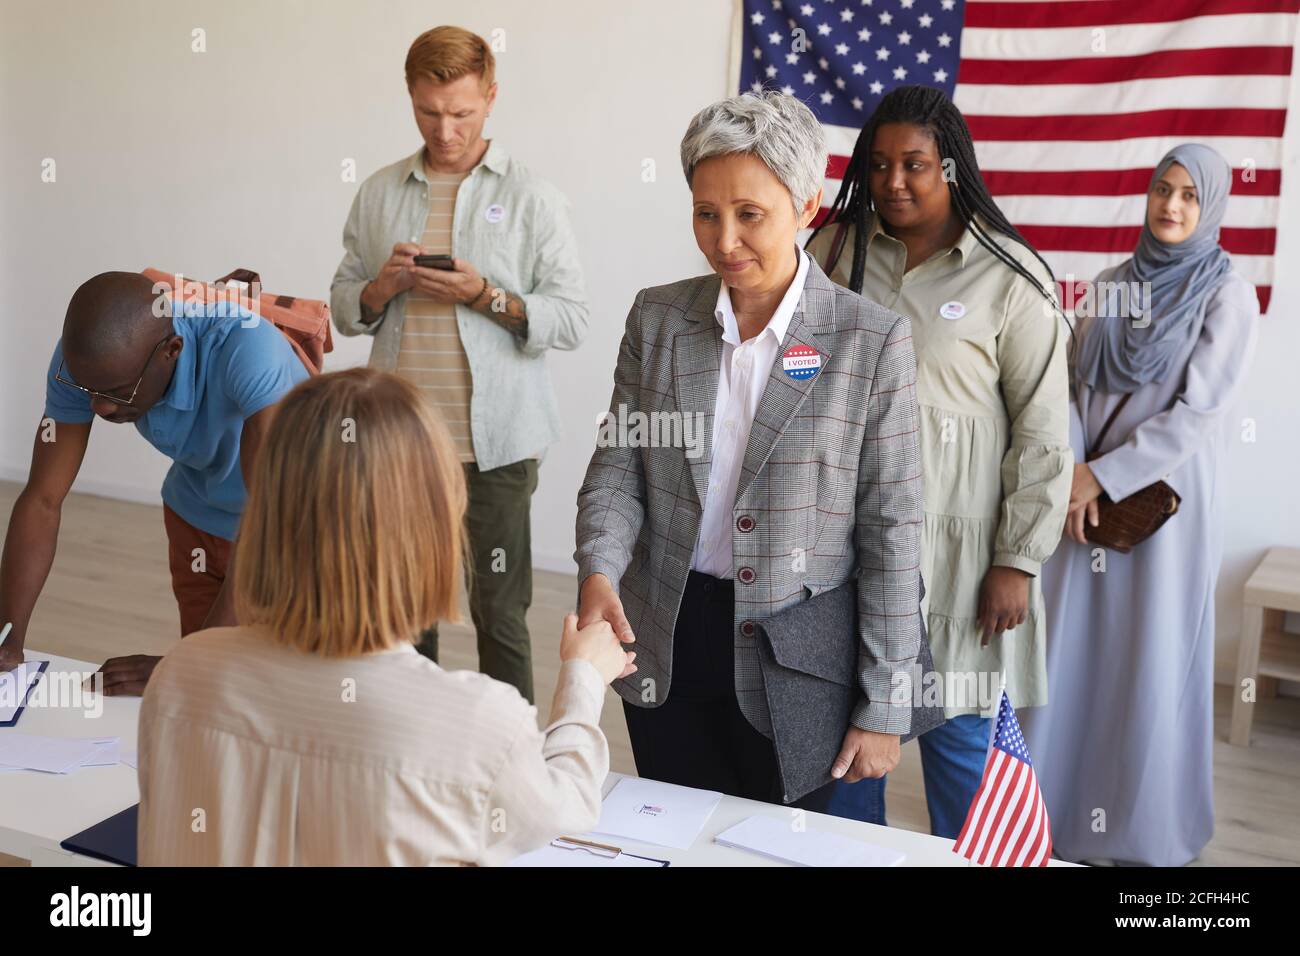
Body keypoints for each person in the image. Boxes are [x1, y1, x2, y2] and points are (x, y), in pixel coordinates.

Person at [575, 91, 925, 811]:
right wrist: (600, 569)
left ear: (806, 206)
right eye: (706, 213)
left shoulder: (871, 340)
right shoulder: (659, 317)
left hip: (798, 657)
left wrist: (886, 703)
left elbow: (892, 532)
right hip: (666, 636)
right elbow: (618, 469)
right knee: (672, 832)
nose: (724, 239)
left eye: (749, 215)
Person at [137, 368, 635, 866]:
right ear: (435, 524)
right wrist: (583, 679)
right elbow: (563, 807)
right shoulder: (476, 723)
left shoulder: (181, 672)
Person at [805, 86, 1072, 835]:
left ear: (950, 167)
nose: (894, 182)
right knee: (850, 752)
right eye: (880, 164)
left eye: (915, 164)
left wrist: (1018, 560)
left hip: (964, 554)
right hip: (847, 544)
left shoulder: (1011, 276)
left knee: (964, 762)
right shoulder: (834, 253)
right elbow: (794, 374)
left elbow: (1044, 434)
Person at [330, 25, 589, 704]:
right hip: (400, 447)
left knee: (498, 614)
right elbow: (342, 303)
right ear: (411, 99)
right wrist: (382, 288)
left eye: (462, 113)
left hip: (497, 449)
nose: (445, 130)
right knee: (404, 613)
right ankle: (410, 745)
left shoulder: (534, 197)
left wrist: (486, 295)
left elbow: (572, 318)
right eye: (428, 112)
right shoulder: (380, 192)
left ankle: (508, 763)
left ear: (491, 98)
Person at [1020, 144, 1260, 866]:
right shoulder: (1110, 283)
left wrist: (1106, 476)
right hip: (1080, 503)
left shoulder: (1226, 293)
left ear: (1210, 205)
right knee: (1070, 656)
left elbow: (1200, 412)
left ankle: (1142, 831)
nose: (1173, 205)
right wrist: (1071, 472)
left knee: (1148, 656)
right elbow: (1065, 383)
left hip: (1164, 510)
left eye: (1190, 194)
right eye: (1164, 189)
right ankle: (1049, 819)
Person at [0, 272, 308, 693]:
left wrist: (183, 667)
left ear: (172, 350)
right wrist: (7, 640)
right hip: (196, 514)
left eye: (118, 392)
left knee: (271, 686)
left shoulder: (250, 351)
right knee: (210, 695)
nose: (100, 406)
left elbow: (272, 526)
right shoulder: (86, 364)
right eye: (88, 390)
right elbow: (42, 499)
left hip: (293, 527)